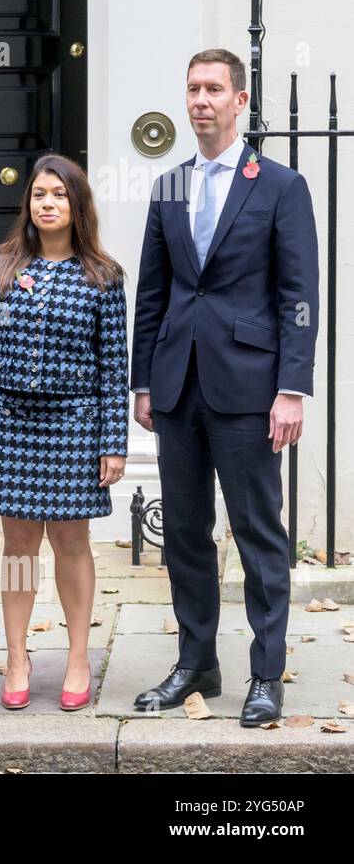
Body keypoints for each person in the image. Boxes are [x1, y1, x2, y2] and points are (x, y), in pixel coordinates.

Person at [130, 49, 319, 727]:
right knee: (184, 532)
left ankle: (267, 674)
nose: (201, 100)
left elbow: (299, 294)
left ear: (240, 101)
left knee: (258, 533)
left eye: (214, 89)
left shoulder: (279, 185)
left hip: (249, 389)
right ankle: (196, 663)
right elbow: (153, 293)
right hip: (178, 389)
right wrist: (143, 382)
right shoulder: (171, 185)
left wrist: (292, 387)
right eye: (192, 89)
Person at [0, 153, 127, 712]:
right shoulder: (0, 268)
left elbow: (114, 367)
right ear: (28, 204)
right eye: (39, 194)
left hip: (75, 426)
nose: (48, 202)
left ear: (77, 204)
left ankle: (78, 656)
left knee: (71, 542)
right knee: (18, 547)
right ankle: (17, 655)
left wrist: (113, 442)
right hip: (12, 424)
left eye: (58, 193)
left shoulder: (102, 276)